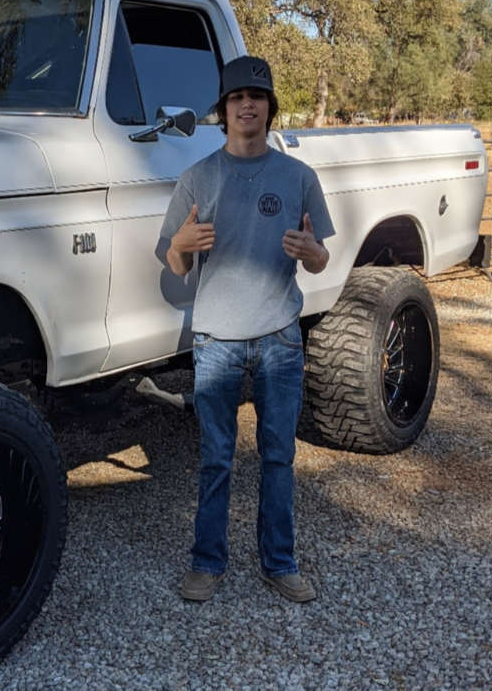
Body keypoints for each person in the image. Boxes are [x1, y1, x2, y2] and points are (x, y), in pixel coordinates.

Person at [159, 55, 335, 603]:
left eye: (256, 97)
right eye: (236, 98)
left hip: (280, 337)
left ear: (269, 107)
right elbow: (174, 263)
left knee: (279, 455)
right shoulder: (197, 178)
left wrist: (313, 254)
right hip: (216, 340)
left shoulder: (299, 177)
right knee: (216, 456)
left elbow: (321, 260)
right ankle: (207, 563)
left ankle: (280, 563)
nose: (247, 106)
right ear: (224, 109)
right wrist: (179, 247)